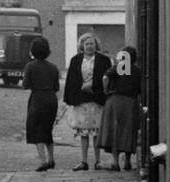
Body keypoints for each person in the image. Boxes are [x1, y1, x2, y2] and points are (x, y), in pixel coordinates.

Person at [62, 32, 112, 172]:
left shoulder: (104, 60)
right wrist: (70, 99)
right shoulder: (75, 60)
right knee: (83, 133)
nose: (89, 46)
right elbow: (71, 81)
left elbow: (107, 78)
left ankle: (98, 161)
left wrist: (93, 87)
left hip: (97, 100)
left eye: (92, 43)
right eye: (87, 44)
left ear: (96, 45)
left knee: (96, 132)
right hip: (81, 100)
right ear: (82, 46)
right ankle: (83, 161)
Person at [99, 44, 140, 171]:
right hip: (131, 102)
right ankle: (127, 161)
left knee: (114, 131)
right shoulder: (138, 70)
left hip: (115, 101)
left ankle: (115, 162)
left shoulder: (118, 67)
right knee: (128, 130)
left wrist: (105, 90)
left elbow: (105, 77)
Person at [21, 37, 59, 172]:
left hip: (37, 99)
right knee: (47, 129)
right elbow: (57, 87)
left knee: (36, 130)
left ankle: (43, 161)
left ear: (33, 51)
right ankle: (51, 159)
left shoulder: (30, 66)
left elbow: (25, 85)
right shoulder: (53, 67)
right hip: (51, 99)